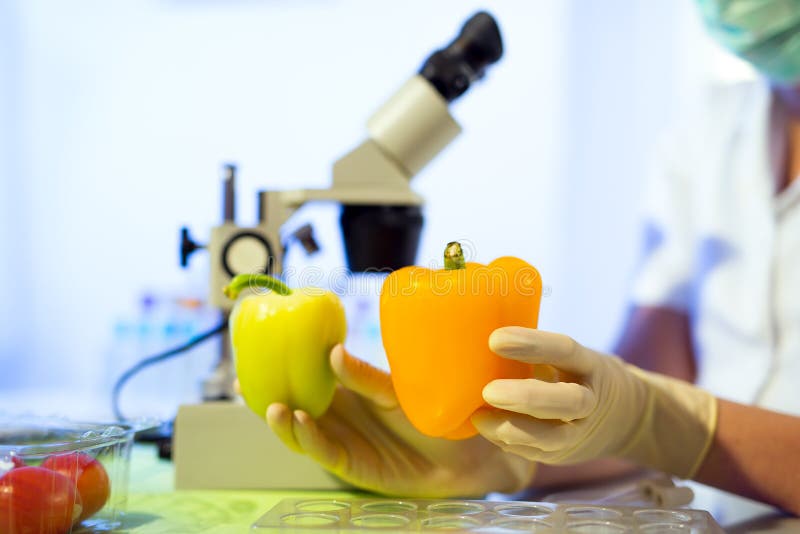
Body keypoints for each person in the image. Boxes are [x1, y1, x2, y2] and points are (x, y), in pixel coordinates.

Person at [267, 0, 800, 518]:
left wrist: (654, 418)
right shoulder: (706, 132)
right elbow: (657, 376)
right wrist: (513, 458)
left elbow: (658, 416)